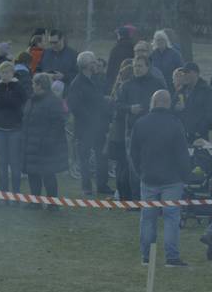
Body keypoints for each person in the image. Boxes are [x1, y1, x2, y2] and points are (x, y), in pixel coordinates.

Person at [130, 90, 190, 267]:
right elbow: (182, 154)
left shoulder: (140, 123)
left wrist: (140, 172)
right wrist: (185, 176)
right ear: (168, 103)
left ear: (153, 102)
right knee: (171, 218)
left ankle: (147, 257)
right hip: (172, 179)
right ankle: (172, 258)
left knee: (148, 218)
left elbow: (133, 152)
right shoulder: (175, 123)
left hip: (148, 178)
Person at [115, 56, 168, 202]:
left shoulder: (157, 84)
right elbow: (117, 105)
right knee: (134, 166)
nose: (137, 69)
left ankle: (154, 199)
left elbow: (165, 103)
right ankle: (136, 199)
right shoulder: (126, 86)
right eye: (135, 66)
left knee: (154, 164)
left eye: (140, 66)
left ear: (148, 67)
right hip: (132, 131)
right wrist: (129, 108)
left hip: (154, 131)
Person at [22, 73, 69, 209]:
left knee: (48, 174)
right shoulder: (31, 100)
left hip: (46, 146)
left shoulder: (53, 101)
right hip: (31, 143)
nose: (32, 86)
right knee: (33, 174)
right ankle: (35, 202)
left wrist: (48, 141)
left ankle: (52, 203)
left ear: (39, 85)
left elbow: (57, 124)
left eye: (34, 84)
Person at [68, 51, 111, 196]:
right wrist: (91, 119)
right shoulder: (76, 84)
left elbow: (100, 101)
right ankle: (86, 187)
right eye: (93, 62)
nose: (96, 64)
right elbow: (75, 106)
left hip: (99, 127)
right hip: (84, 128)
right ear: (86, 65)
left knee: (102, 157)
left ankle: (102, 185)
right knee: (84, 158)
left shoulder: (97, 80)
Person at [0, 61, 29, 202]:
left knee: (15, 164)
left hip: (15, 130)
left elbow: (25, 103)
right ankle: (4, 195)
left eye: (7, 72)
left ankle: (16, 194)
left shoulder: (19, 88)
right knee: (2, 164)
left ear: (12, 73)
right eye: (2, 72)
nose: (5, 75)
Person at [106, 60, 135, 200]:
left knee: (120, 166)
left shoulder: (116, 89)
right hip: (122, 133)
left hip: (115, 134)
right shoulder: (125, 90)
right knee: (125, 165)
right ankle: (124, 193)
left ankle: (120, 192)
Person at [174, 62, 212, 141]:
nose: (184, 75)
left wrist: (201, 130)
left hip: (199, 136)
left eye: (187, 72)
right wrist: (176, 108)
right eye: (183, 73)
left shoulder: (206, 91)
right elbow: (171, 109)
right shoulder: (180, 91)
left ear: (196, 73)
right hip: (182, 134)